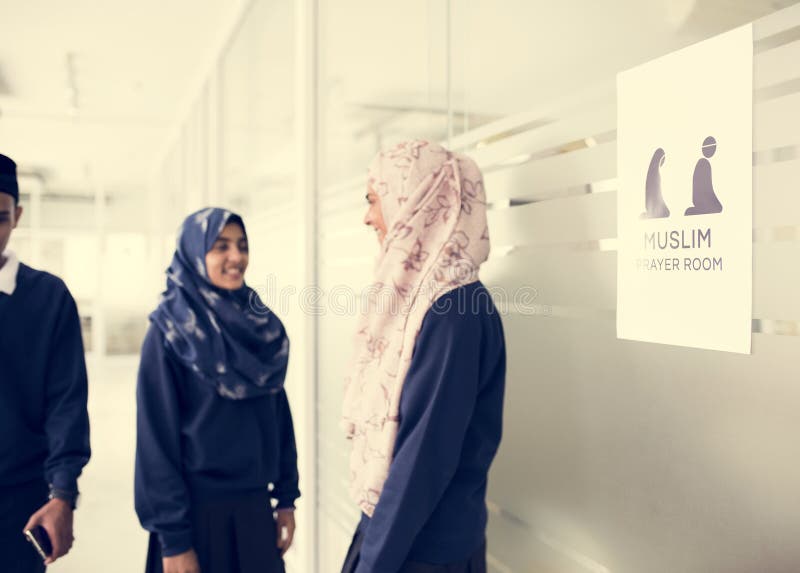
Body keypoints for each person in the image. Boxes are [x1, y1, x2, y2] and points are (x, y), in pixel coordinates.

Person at [341, 140, 506, 573]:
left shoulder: (453, 310)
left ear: (414, 201)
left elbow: (422, 462)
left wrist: (373, 563)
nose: (368, 217)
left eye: (374, 200)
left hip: (422, 551)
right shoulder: (418, 299)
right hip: (401, 537)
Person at [135, 207, 299, 573]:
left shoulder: (262, 327)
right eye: (221, 247)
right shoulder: (169, 333)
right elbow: (155, 444)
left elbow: (278, 417)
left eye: (242, 246)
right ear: (194, 254)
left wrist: (286, 497)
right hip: (195, 518)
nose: (236, 257)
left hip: (255, 513)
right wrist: (174, 540)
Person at [0, 152, 91, 572]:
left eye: (0, 217)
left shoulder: (48, 299)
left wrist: (62, 495)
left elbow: (66, 404)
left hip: (20, 504)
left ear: (17, 216)